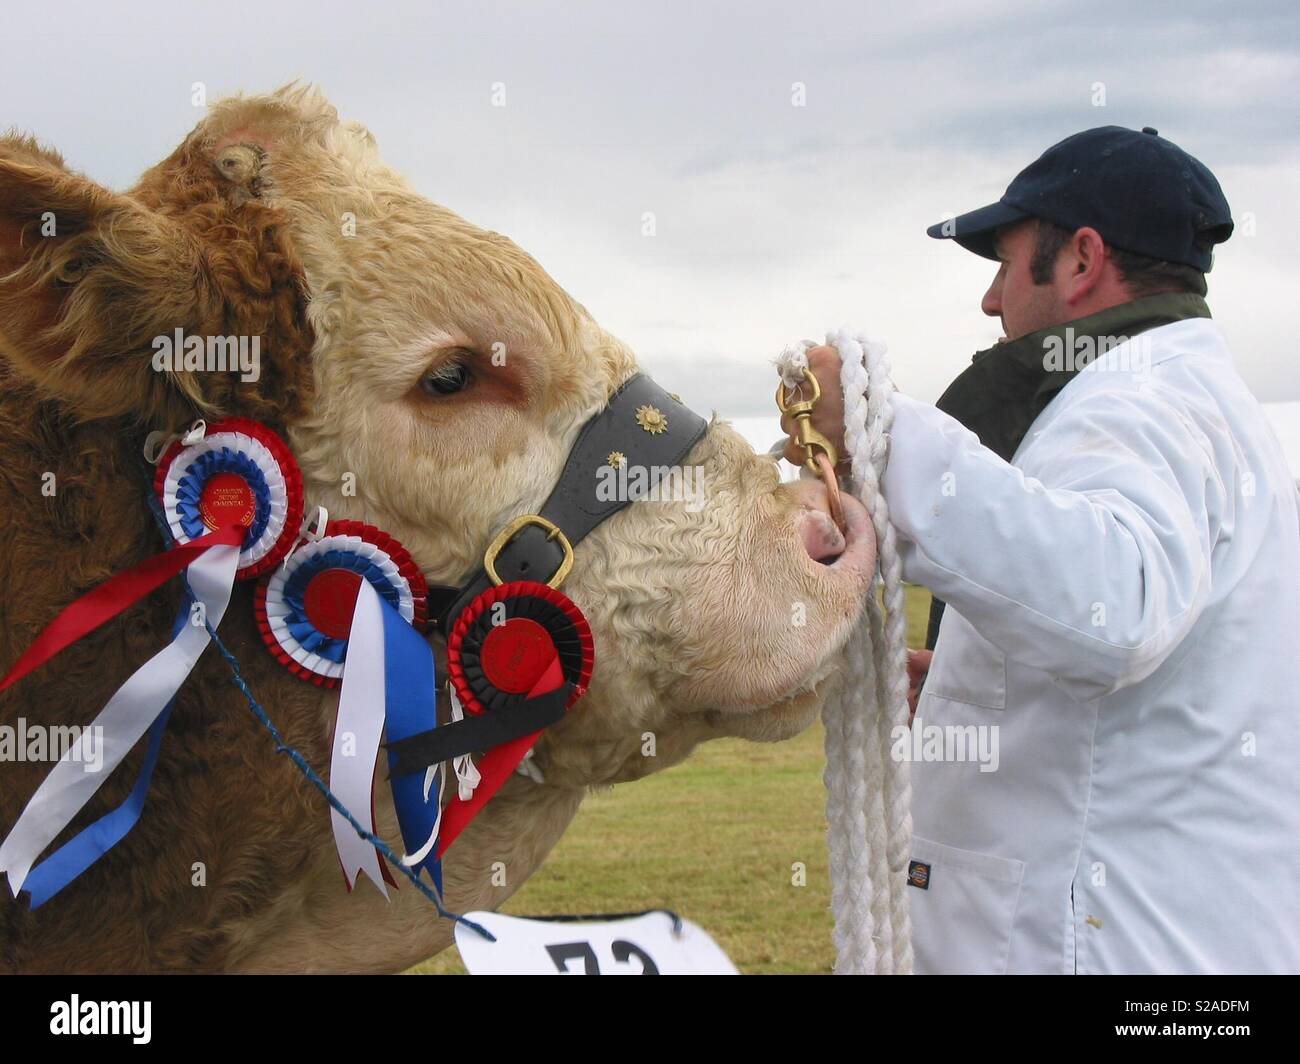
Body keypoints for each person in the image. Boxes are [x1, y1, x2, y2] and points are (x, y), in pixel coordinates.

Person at [784, 126, 1300, 974]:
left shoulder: (1135, 403)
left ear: (1082, 259)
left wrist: (890, 438)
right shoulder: (1208, 403)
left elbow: (1118, 604)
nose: (991, 300)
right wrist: (963, 693)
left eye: (1007, 261)